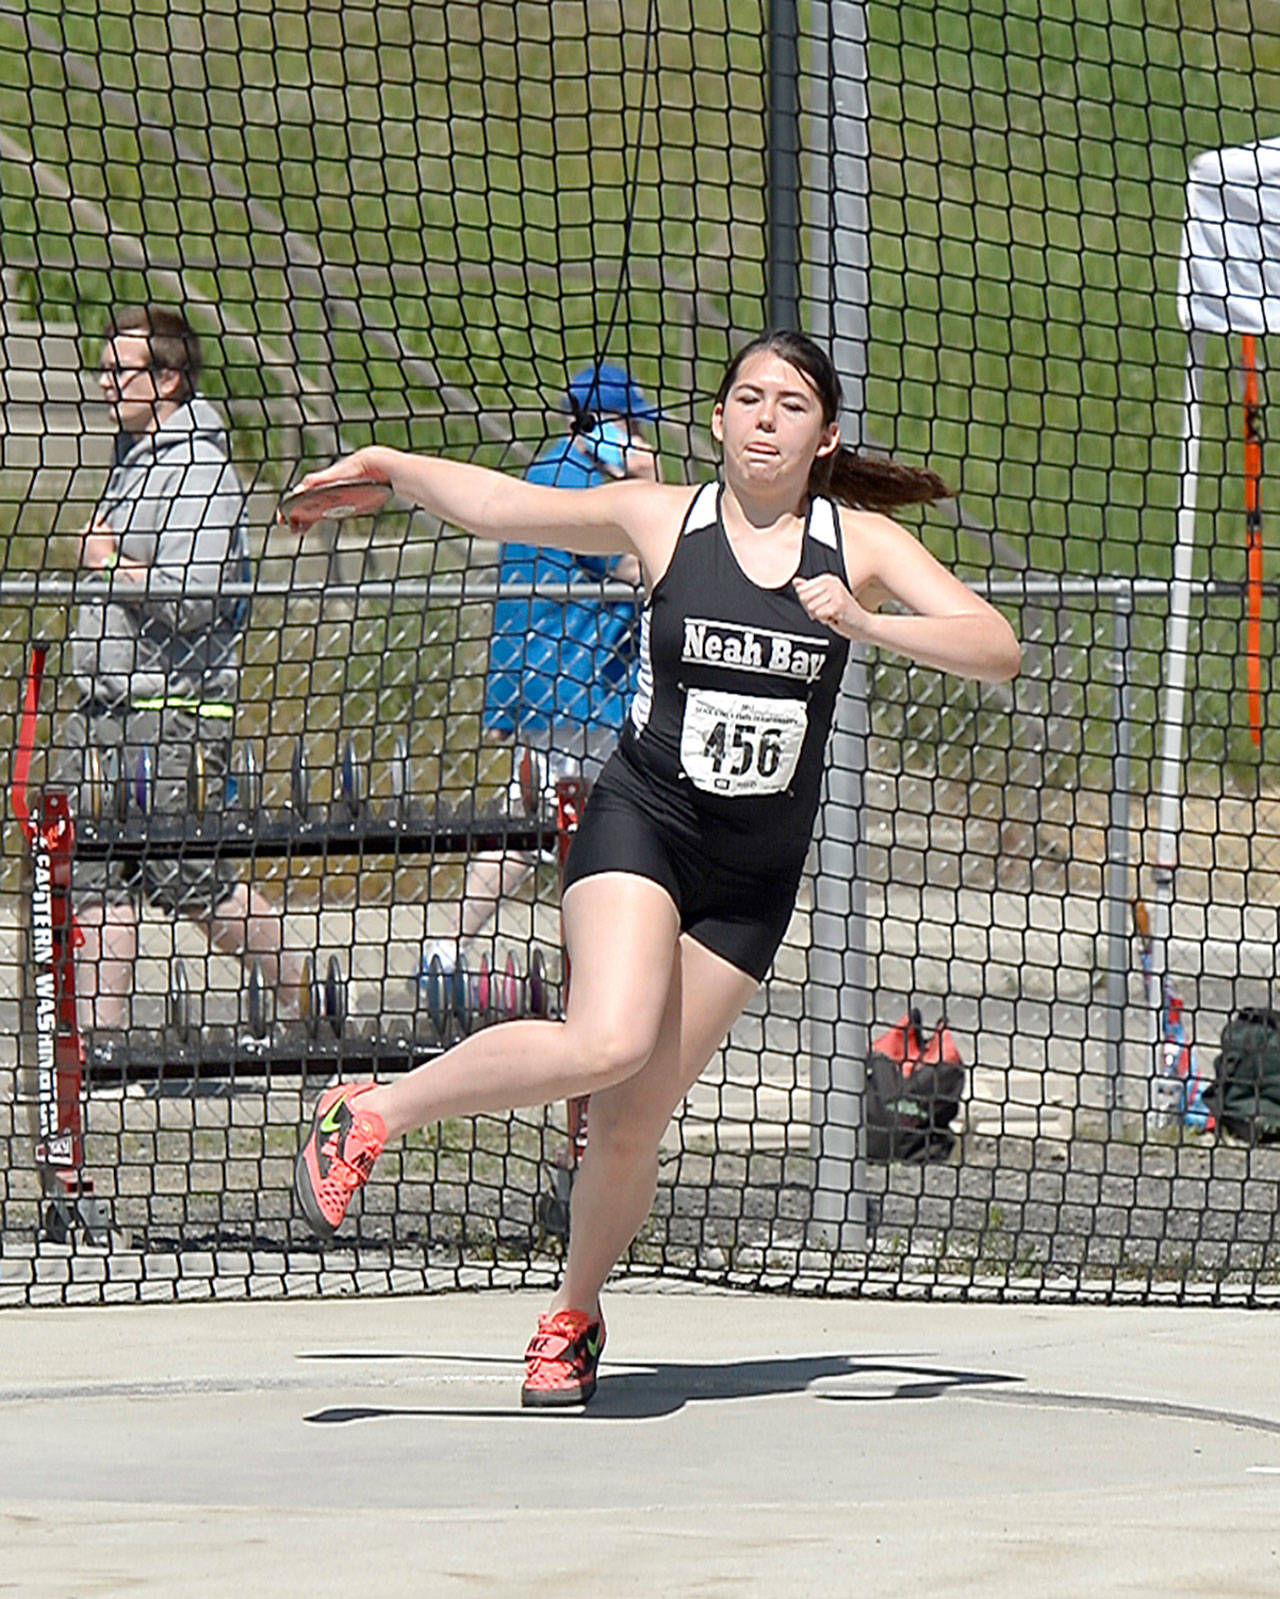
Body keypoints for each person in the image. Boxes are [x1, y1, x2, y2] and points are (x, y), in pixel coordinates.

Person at [285, 329, 1021, 1407]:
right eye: (747, 399)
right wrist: (393, 471)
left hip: (753, 870)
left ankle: (570, 1316)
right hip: (643, 822)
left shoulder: (852, 546)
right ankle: (372, 1112)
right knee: (607, 1039)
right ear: (717, 422)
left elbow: (993, 647)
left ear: (822, 438)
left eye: (790, 405)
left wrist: (864, 622)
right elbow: (498, 506)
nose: (764, 418)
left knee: (632, 1122)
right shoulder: (659, 518)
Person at [58, 304, 303, 1032]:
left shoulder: (202, 468)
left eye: (118, 371)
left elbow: (195, 598)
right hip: (104, 709)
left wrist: (108, 563)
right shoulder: (131, 455)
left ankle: (314, 1002)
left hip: (174, 715)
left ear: (166, 380)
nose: (103, 383)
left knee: (190, 879)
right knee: (93, 873)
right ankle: (98, 1052)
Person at [422, 362, 658, 976]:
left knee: (545, 816)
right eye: (630, 427)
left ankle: (464, 947)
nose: (639, 440)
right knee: (577, 819)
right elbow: (640, 566)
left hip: (566, 679)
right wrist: (650, 489)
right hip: (572, 681)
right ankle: (571, 960)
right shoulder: (573, 479)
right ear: (600, 424)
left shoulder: (563, 470)